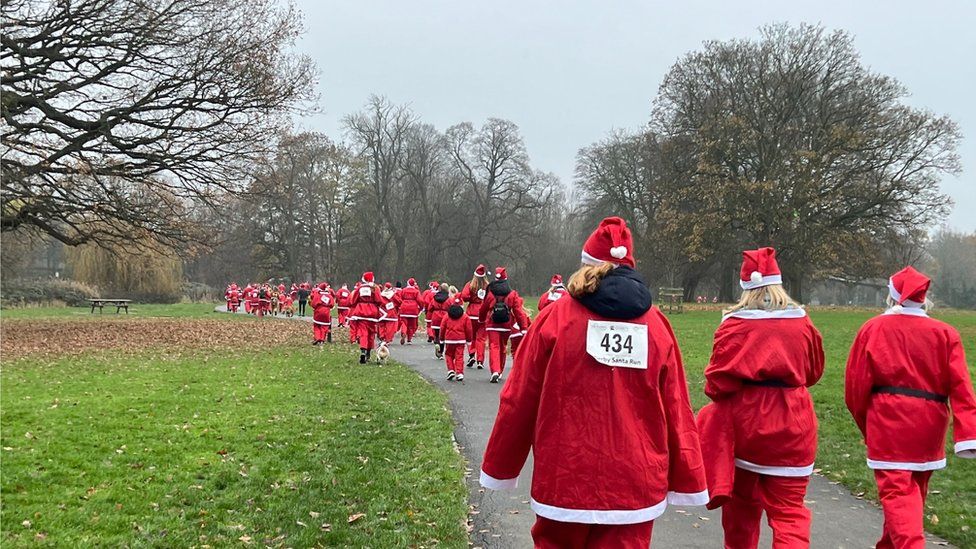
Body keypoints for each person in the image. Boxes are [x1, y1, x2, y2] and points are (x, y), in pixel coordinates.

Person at [480, 216, 708, 548]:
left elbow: (520, 397)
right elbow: (676, 407)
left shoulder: (555, 319)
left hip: (565, 476)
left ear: (585, 265)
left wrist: (501, 466)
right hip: (635, 480)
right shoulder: (657, 326)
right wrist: (687, 476)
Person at [697, 247, 824, 548]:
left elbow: (717, 383)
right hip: (794, 425)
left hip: (747, 429)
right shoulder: (803, 323)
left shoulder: (735, 325)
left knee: (741, 507)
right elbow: (814, 371)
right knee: (790, 512)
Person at [845, 266, 976, 549]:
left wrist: (867, 423)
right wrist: (967, 433)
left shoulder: (874, 328)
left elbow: (855, 386)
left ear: (892, 297)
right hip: (930, 425)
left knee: (899, 498)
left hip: (889, 423)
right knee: (912, 495)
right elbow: (962, 387)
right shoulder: (946, 333)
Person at [478, 267, 530, 383]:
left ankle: (495, 370)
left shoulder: (491, 292)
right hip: (506, 324)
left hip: (492, 323)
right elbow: (518, 312)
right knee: (503, 347)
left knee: (494, 346)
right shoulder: (512, 294)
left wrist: (481, 319)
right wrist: (523, 328)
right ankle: (500, 371)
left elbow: (484, 308)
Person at [435, 296, 473, 382]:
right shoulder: (465, 317)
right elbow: (469, 329)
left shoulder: (447, 316)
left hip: (449, 339)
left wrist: (441, 339)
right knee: (459, 356)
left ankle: (451, 370)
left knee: (448, 354)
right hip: (461, 340)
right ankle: (459, 373)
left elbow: (442, 328)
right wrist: (469, 340)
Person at [460, 265, 490, 370]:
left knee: (471, 336)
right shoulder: (487, 286)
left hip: (471, 313)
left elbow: (464, 296)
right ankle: (480, 360)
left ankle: (472, 354)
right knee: (481, 338)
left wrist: (471, 298)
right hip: (483, 313)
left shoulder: (470, 284)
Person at [348, 272, 382, 364]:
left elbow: (353, 300)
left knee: (363, 333)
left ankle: (362, 351)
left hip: (361, 311)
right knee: (371, 334)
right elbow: (379, 300)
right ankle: (368, 353)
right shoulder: (375, 288)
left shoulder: (360, 288)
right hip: (372, 313)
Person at [427, 283, 451, 358]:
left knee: (437, 334)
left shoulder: (435, 298)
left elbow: (430, 308)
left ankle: (437, 343)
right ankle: (441, 351)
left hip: (435, 317)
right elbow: (451, 307)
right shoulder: (448, 299)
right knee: (443, 335)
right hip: (444, 317)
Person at [398, 278, 423, 344]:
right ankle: (409, 339)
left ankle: (403, 332)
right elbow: (420, 300)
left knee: (404, 322)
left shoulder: (403, 290)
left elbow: (400, 299)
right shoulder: (416, 291)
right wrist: (421, 307)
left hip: (404, 308)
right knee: (412, 325)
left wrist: (400, 306)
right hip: (413, 309)